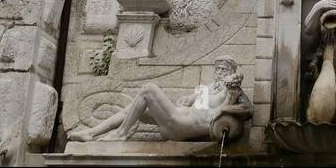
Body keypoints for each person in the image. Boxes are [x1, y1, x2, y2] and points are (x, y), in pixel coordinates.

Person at [71, 56, 250, 142]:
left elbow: (248, 110)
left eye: (224, 70)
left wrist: (223, 109)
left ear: (231, 73)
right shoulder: (208, 87)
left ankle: (120, 133)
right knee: (134, 108)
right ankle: (91, 133)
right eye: (217, 69)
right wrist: (187, 99)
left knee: (148, 90)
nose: (219, 72)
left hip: (183, 126)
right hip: (178, 119)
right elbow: (191, 102)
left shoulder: (232, 90)